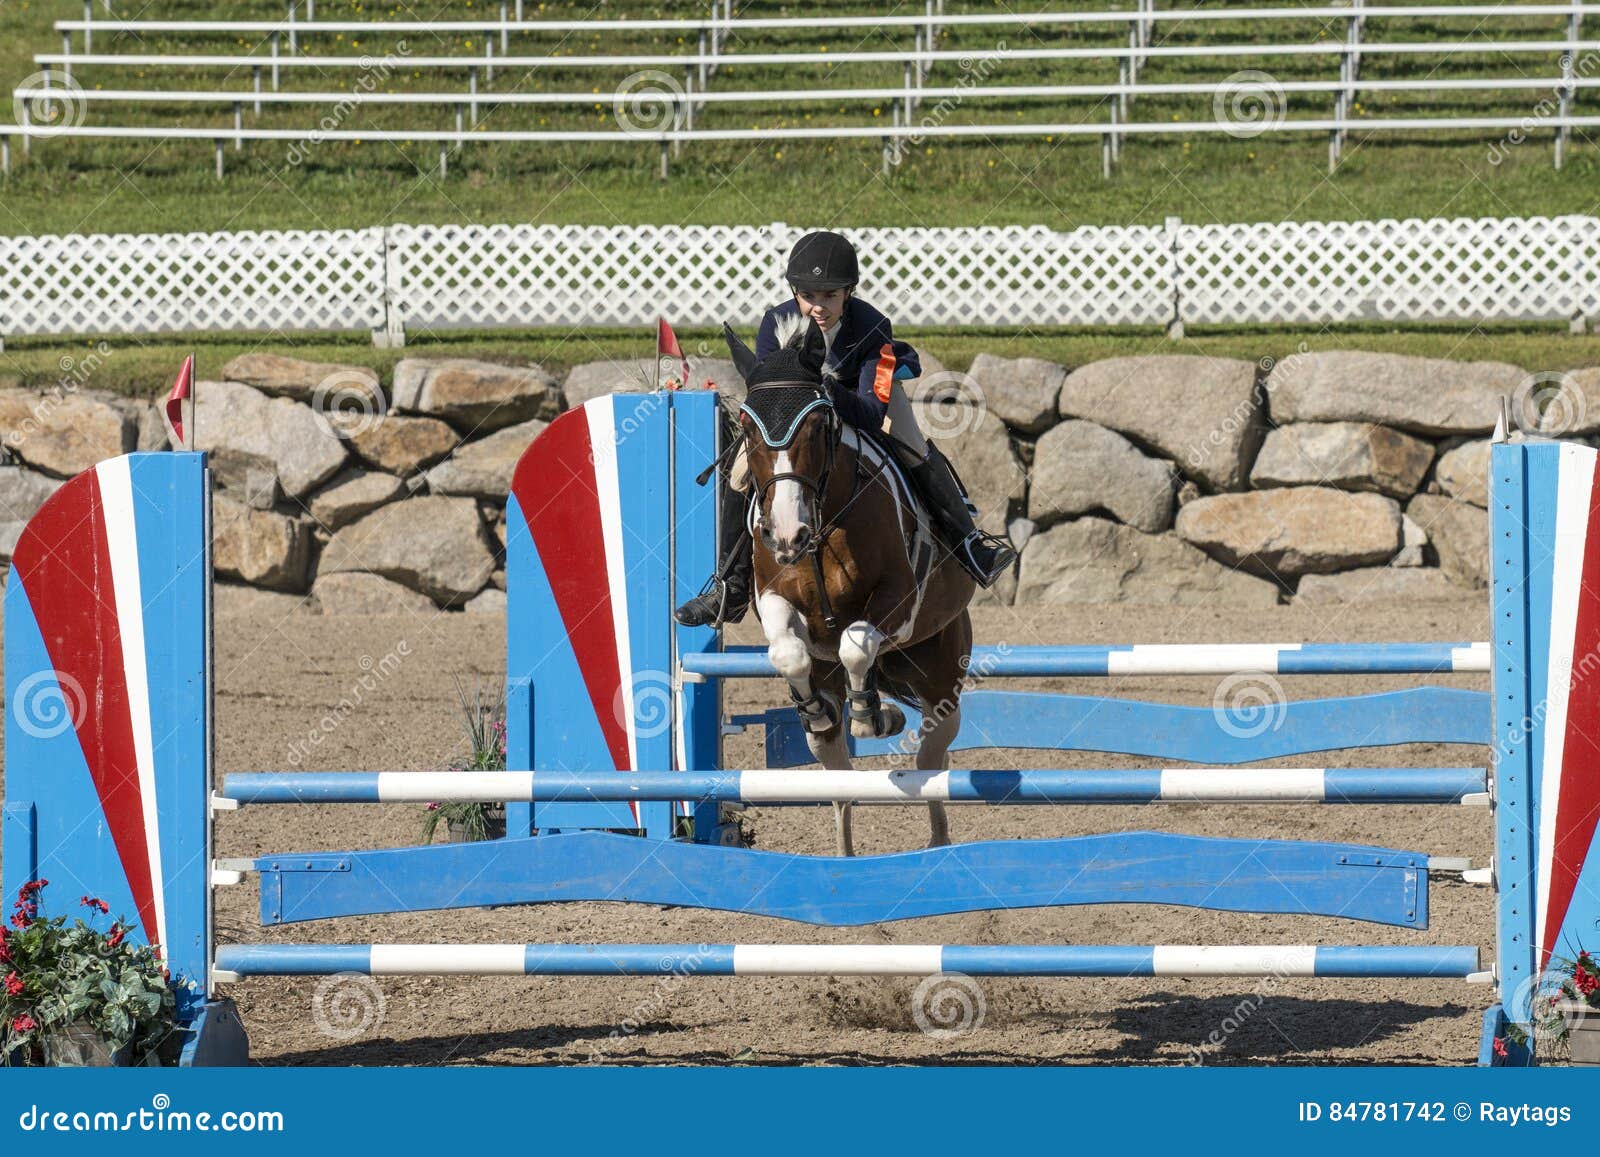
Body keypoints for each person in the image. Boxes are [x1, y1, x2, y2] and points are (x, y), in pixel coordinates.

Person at [674, 230, 1017, 629]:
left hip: (861, 397)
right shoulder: (774, 324)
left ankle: (970, 547)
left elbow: (871, 413)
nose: (817, 307)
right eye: (808, 296)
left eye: (829, 296)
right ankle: (730, 588)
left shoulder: (873, 328)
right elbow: (769, 395)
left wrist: (828, 390)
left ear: (848, 293)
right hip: (802, 411)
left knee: (912, 448)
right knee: (738, 469)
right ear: (794, 292)